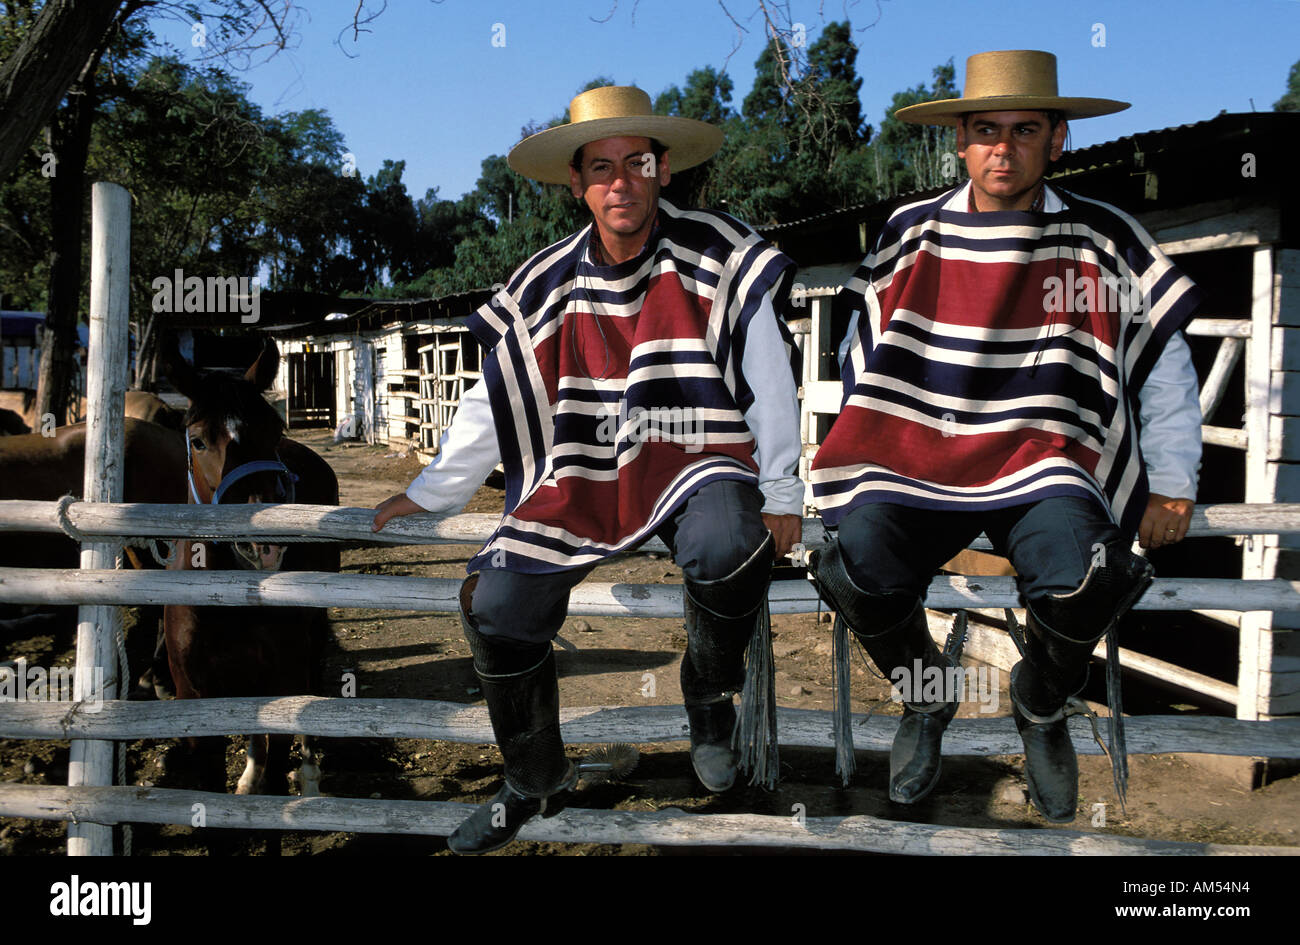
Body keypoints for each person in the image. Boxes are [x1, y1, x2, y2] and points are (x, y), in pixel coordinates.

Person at [372, 85, 803, 853]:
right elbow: (494, 395)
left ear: (662, 166)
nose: (620, 182)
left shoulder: (719, 252)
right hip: (582, 470)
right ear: (577, 182)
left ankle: (708, 696)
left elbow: (770, 380)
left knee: (732, 543)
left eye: (635, 162)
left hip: (697, 459)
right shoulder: (544, 281)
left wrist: (779, 487)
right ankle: (535, 775)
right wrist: (432, 488)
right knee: (493, 600)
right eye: (600, 167)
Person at [808, 50, 1203, 822]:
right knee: (850, 560)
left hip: (1043, 460)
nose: (1003, 147)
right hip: (921, 460)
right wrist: (863, 463)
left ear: (1057, 139)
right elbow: (865, 365)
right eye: (986, 129)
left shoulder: (1102, 237)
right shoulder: (912, 233)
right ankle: (928, 696)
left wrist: (1176, 478)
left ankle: (1042, 700)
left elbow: (1163, 366)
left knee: (1091, 573)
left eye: (1025, 129)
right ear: (959, 139)